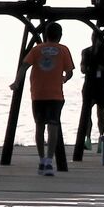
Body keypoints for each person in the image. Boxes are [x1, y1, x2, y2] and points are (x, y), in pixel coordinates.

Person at [20, 21, 76, 177]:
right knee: (53, 126)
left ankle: (41, 159)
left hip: (38, 94)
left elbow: (24, 65)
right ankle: (50, 161)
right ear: (60, 35)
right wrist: (64, 79)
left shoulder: (37, 49)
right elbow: (70, 71)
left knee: (39, 126)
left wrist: (17, 82)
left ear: (46, 35)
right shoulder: (63, 50)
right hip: (55, 95)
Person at [77, 34, 104, 156]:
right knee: (87, 113)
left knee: (101, 114)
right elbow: (82, 68)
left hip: (102, 86)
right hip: (90, 85)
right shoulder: (87, 52)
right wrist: (93, 67)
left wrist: (100, 65)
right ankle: (88, 138)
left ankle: (101, 138)